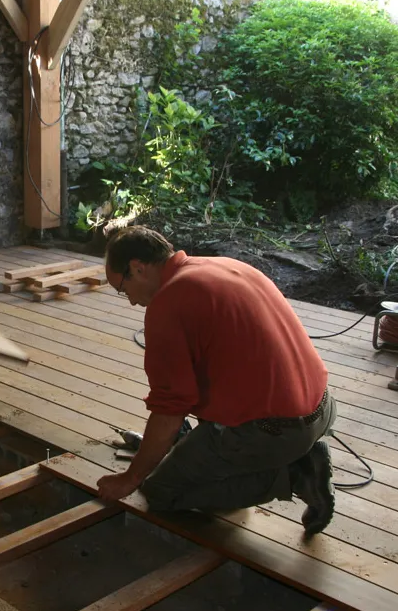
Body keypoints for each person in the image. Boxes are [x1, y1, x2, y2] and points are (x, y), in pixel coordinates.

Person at [98, 226, 337, 537]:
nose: (129, 301)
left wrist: (130, 478)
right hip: (322, 408)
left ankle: (296, 474)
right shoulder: (223, 265)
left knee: (161, 490)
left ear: (138, 268)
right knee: (190, 452)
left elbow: (170, 409)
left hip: (276, 431)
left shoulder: (168, 304)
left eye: (121, 289)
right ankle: (302, 456)